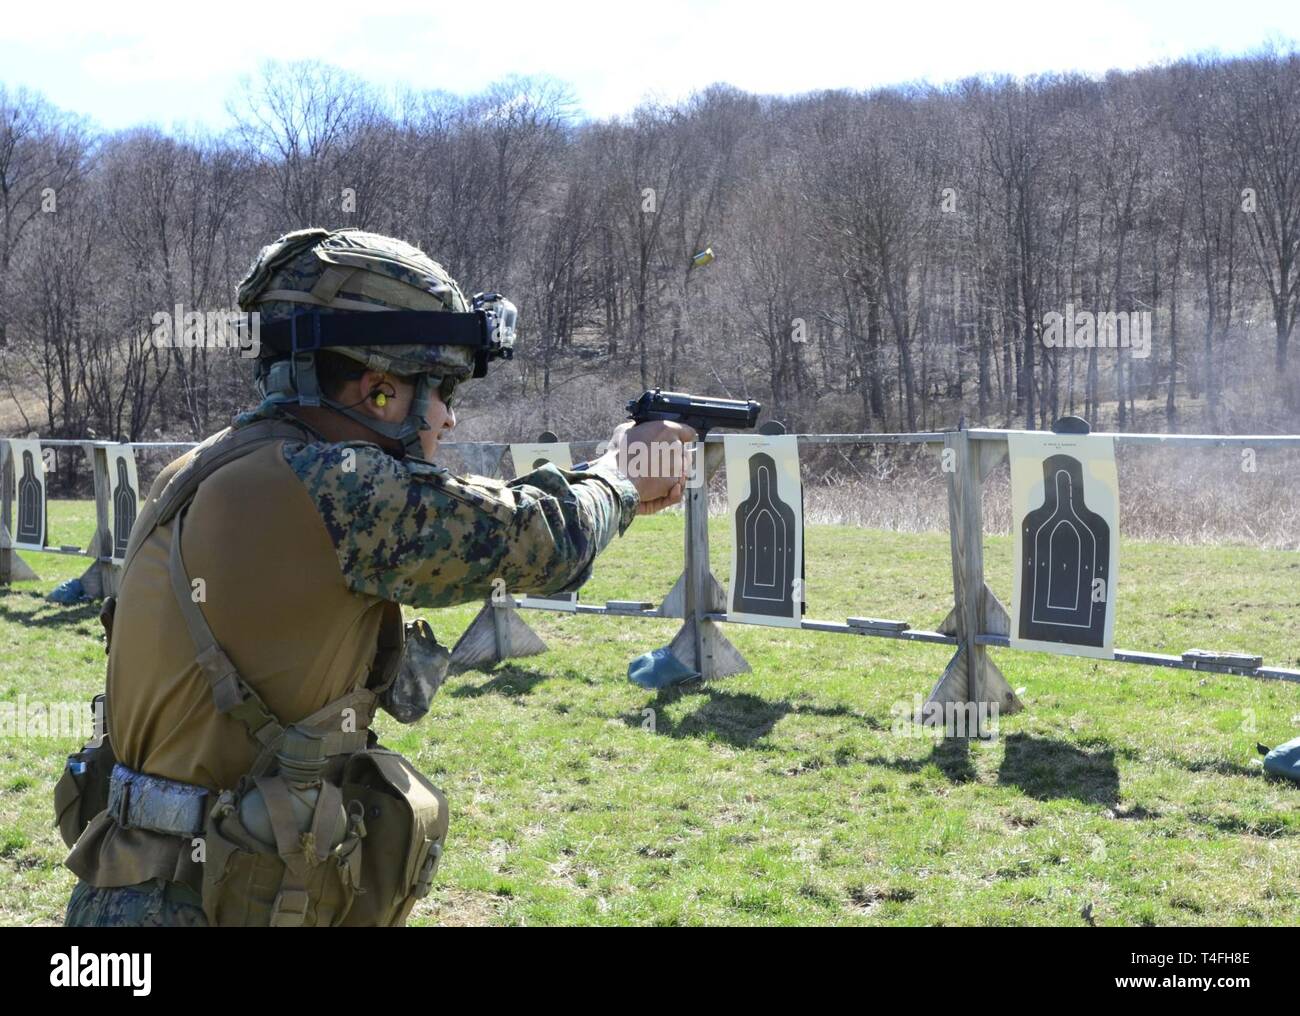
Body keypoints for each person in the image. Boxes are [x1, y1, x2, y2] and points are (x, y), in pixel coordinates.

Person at [60, 227, 693, 926]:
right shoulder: (327, 484)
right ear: (380, 391)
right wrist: (622, 472)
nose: (448, 417)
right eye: (440, 389)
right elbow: (539, 541)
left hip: (145, 883)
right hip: (204, 900)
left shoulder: (216, 465)